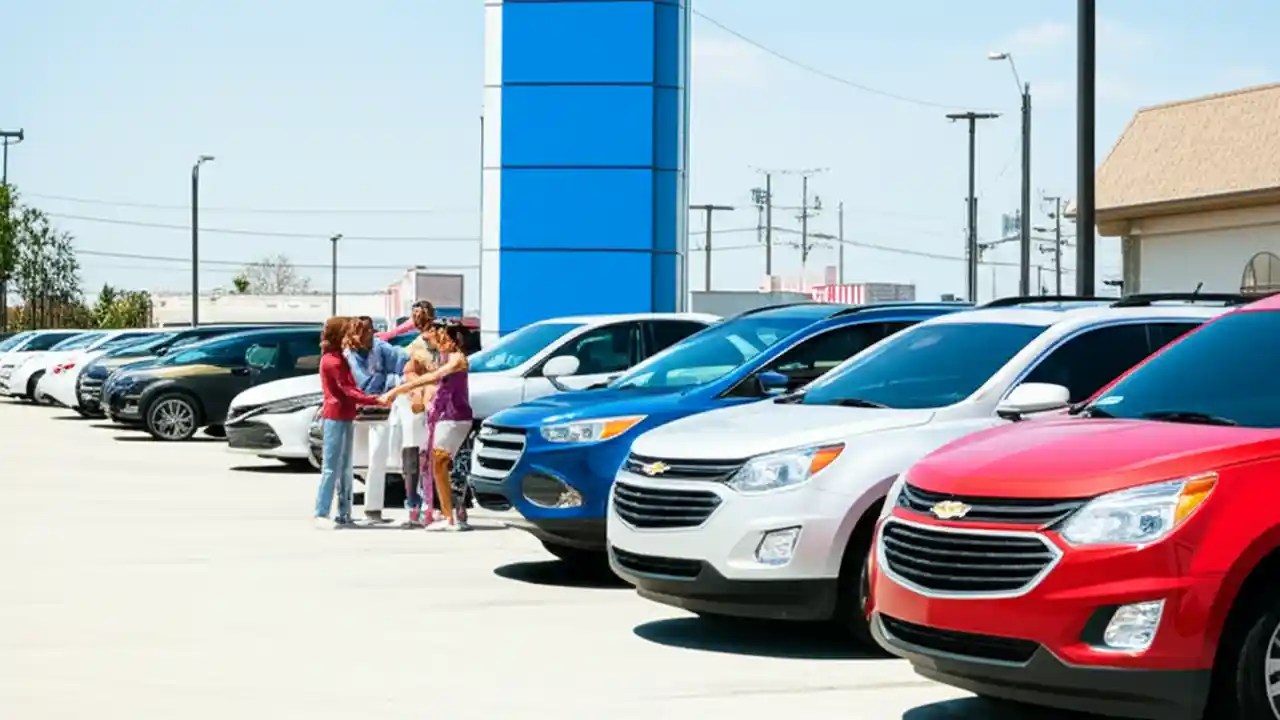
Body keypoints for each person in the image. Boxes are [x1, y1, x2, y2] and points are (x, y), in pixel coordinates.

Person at [382, 320, 473, 531]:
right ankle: (448, 514)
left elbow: (432, 377)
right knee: (436, 464)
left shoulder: (458, 359)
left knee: (441, 461)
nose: (439, 342)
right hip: (443, 416)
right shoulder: (445, 357)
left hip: (456, 416)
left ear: (453, 339)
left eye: (442, 338)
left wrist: (395, 392)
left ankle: (451, 515)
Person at [315, 316, 385, 529]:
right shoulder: (332, 361)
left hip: (345, 414)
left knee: (345, 467)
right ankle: (321, 512)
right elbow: (347, 389)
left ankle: (344, 513)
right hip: (335, 416)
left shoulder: (340, 357)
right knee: (331, 467)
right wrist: (375, 399)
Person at [342, 316, 404, 524]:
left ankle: (373, 510)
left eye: (369, 330)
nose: (367, 335)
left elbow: (402, 366)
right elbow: (349, 382)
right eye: (362, 331)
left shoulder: (382, 348)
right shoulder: (346, 355)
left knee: (377, 460)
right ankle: (344, 510)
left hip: (380, 411)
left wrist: (390, 383)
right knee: (349, 462)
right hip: (354, 412)